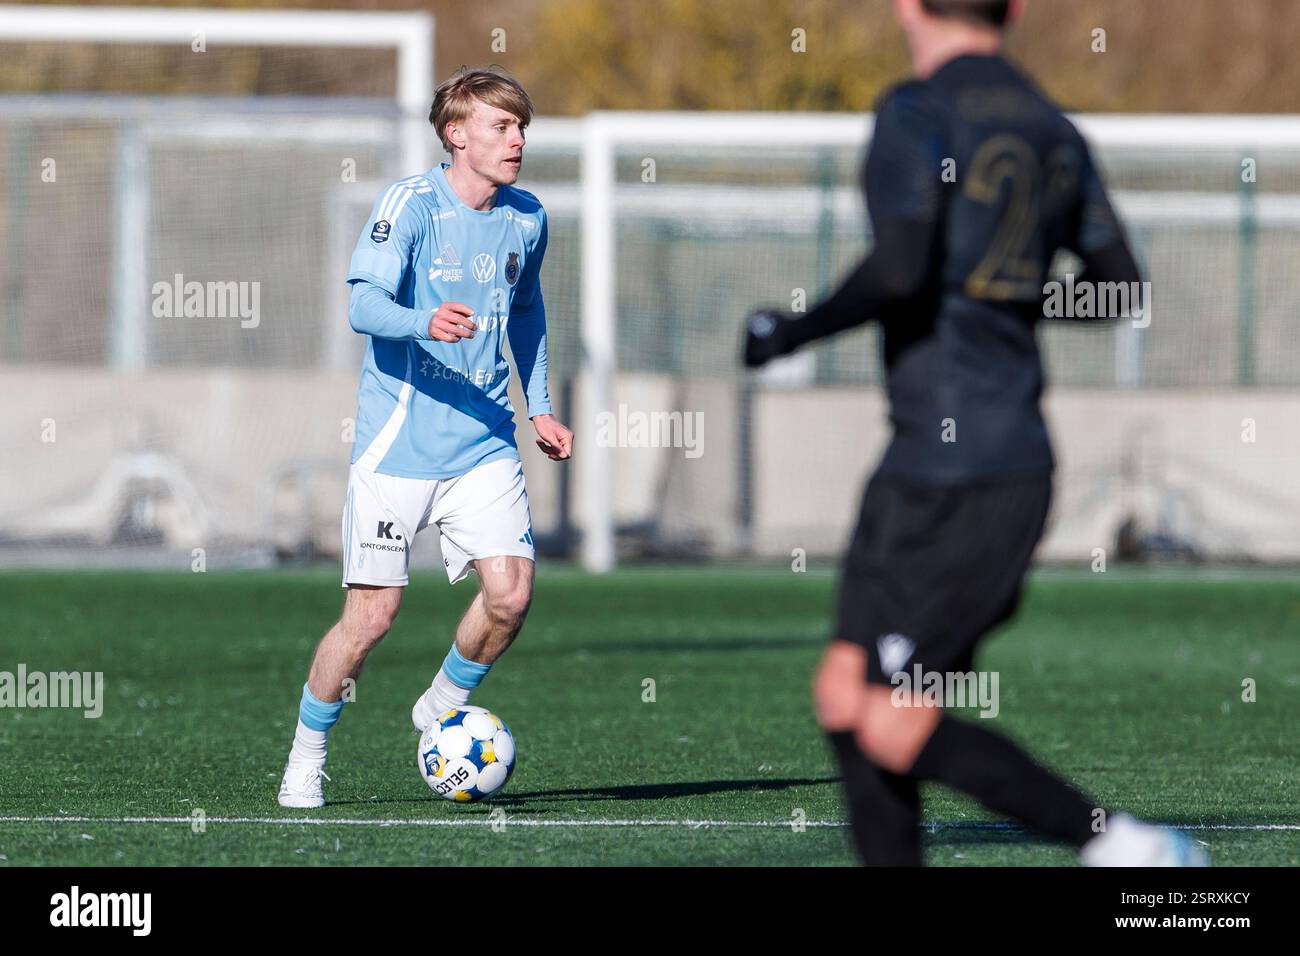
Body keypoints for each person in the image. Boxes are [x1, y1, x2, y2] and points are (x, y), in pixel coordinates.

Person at [743, 0, 1204, 866]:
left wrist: (789, 332)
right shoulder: (1051, 126)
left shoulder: (916, 111)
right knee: (845, 695)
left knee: (891, 717)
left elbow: (903, 262)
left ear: (907, 6)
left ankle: (1123, 848)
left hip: (969, 475)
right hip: (932, 461)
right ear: (1016, 9)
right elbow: (1117, 287)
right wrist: (1011, 290)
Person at [278, 66, 572, 808]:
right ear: (457, 134)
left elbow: (528, 312)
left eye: (522, 126)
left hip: (484, 443)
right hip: (398, 449)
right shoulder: (408, 204)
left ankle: (442, 702)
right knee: (371, 618)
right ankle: (307, 755)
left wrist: (539, 408)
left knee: (511, 595)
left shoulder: (528, 216)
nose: (518, 139)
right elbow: (363, 306)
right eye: (503, 126)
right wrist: (422, 322)